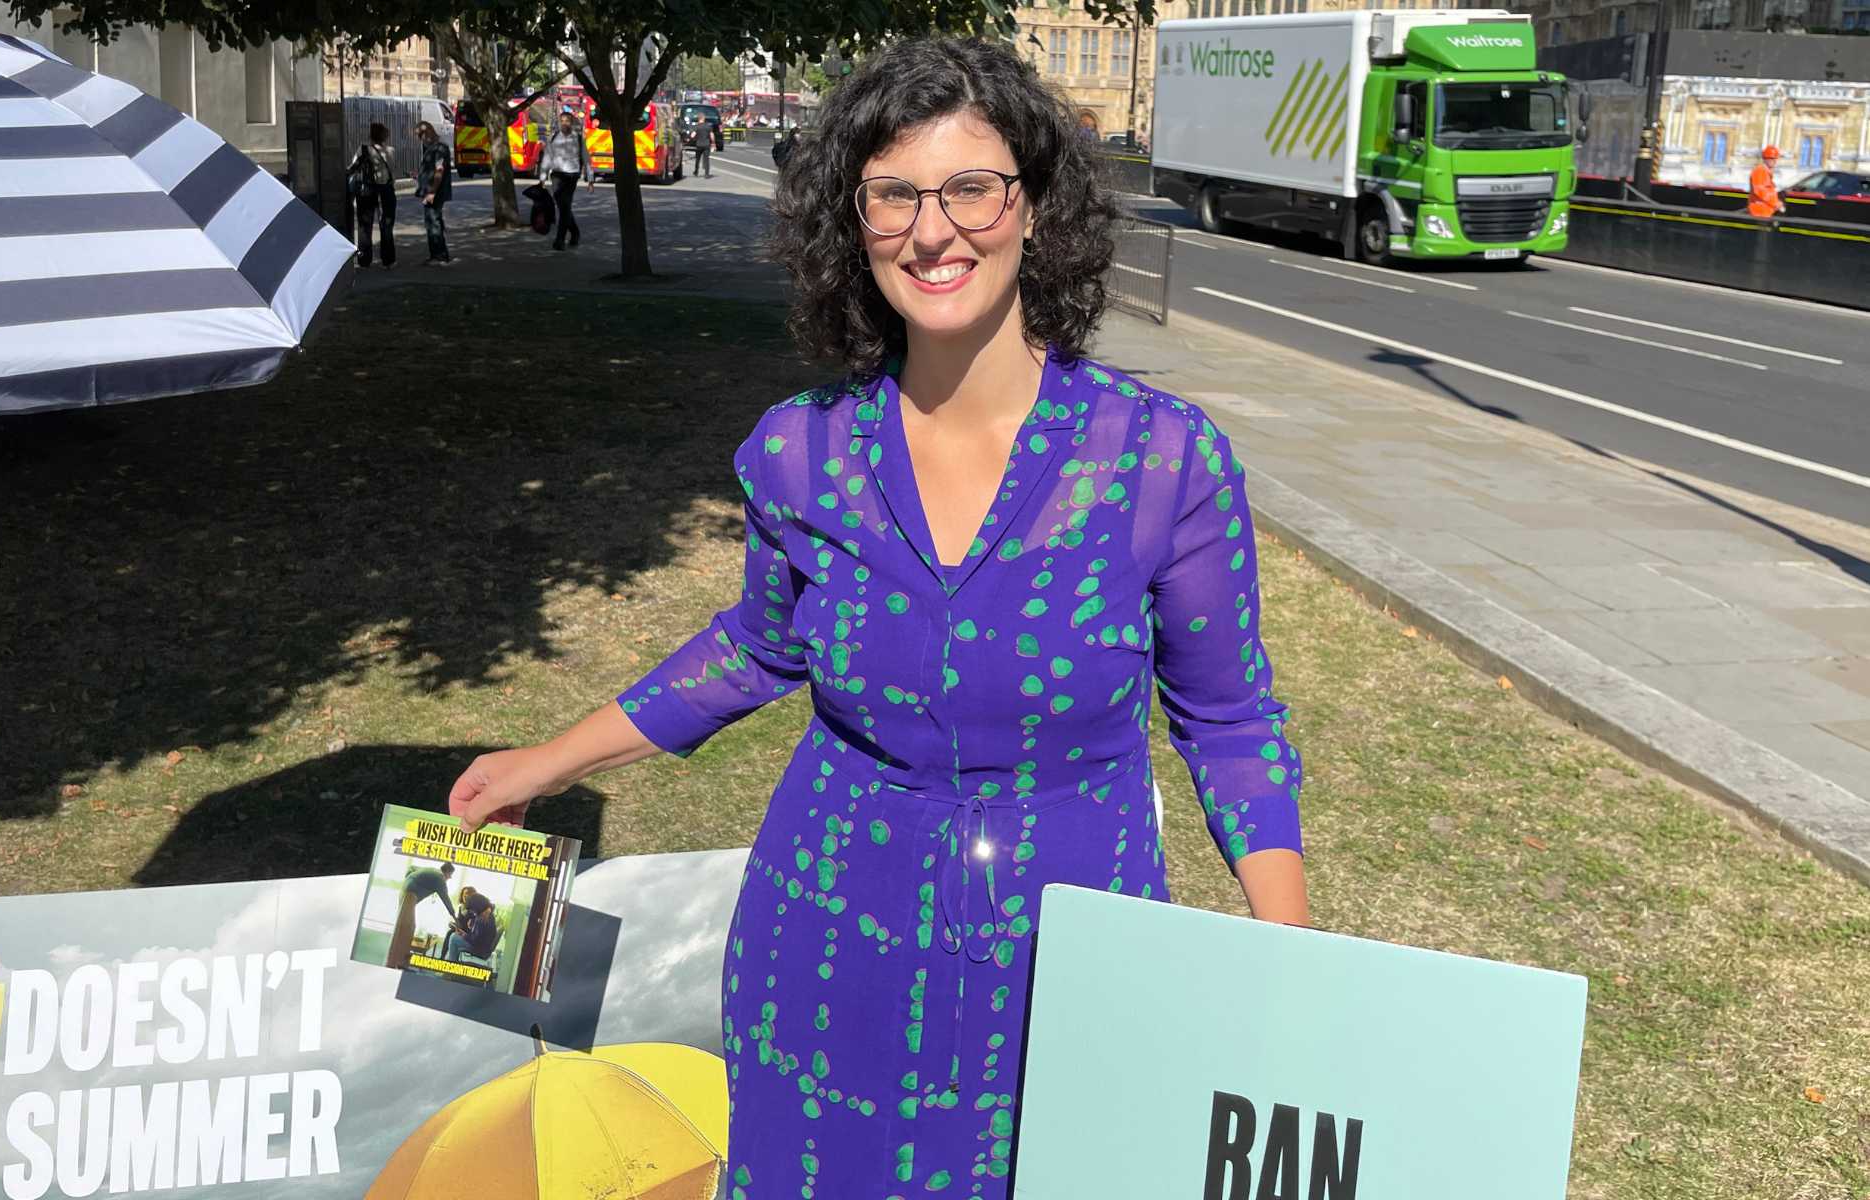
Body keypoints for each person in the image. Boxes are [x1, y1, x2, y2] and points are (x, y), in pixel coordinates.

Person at [445, 36, 1306, 1193]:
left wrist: (1285, 948)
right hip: (830, 930)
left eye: (970, 188)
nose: (932, 230)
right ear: (853, 225)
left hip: (1077, 939)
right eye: (892, 194)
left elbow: (1231, 721)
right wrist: (546, 763)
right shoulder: (801, 450)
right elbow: (756, 646)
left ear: (1036, 209)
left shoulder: (1160, 459)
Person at [385, 862, 457, 969]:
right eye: (450, 875)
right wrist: (455, 917)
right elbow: (446, 899)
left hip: (408, 893)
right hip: (410, 895)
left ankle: (401, 961)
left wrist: (409, 881)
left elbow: (411, 868)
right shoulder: (439, 878)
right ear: (447, 872)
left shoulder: (432, 870)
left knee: (409, 927)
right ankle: (392, 963)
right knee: (404, 929)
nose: (449, 878)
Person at [349, 123, 398, 269]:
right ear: (384, 135)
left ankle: (364, 260)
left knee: (365, 225)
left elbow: (353, 167)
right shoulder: (390, 151)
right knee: (386, 225)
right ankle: (388, 260)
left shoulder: (362, 149)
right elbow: (393, 169)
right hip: (386, 190)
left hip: (367, 190)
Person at [540, 114, 592, 252]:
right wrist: (542, 177)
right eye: (562, 121)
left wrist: (590, 179)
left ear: (571, 122)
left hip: (571, 175)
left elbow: (586, 159)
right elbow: (547, 157)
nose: (564, 123)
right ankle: (575, 232)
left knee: (565, 206)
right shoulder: (554, 137)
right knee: (563, 206)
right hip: (556, 174)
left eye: (567, 121)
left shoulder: (579, 138)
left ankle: (560, 240)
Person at [415, 119, 453, 265]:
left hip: (435, 193)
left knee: (433, 223)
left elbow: (439, 170)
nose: (420, 140)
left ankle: (439, 255)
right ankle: (437, 254)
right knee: (433, 222)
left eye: (420, 136)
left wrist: (432, 192)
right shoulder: (434, 148)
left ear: (427, 133)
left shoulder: (439, 149)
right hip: (432, 191)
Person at [1748, 144, 1784, 218]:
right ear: (1765, 159)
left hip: (1766, 212)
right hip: (1759, 212)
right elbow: (1760, 191)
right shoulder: (1760, 171)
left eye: (1775, 159)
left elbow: (1768, 190)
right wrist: (1775, 203)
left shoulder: (1766, 172)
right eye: (1771, 158)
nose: (1774, 161)